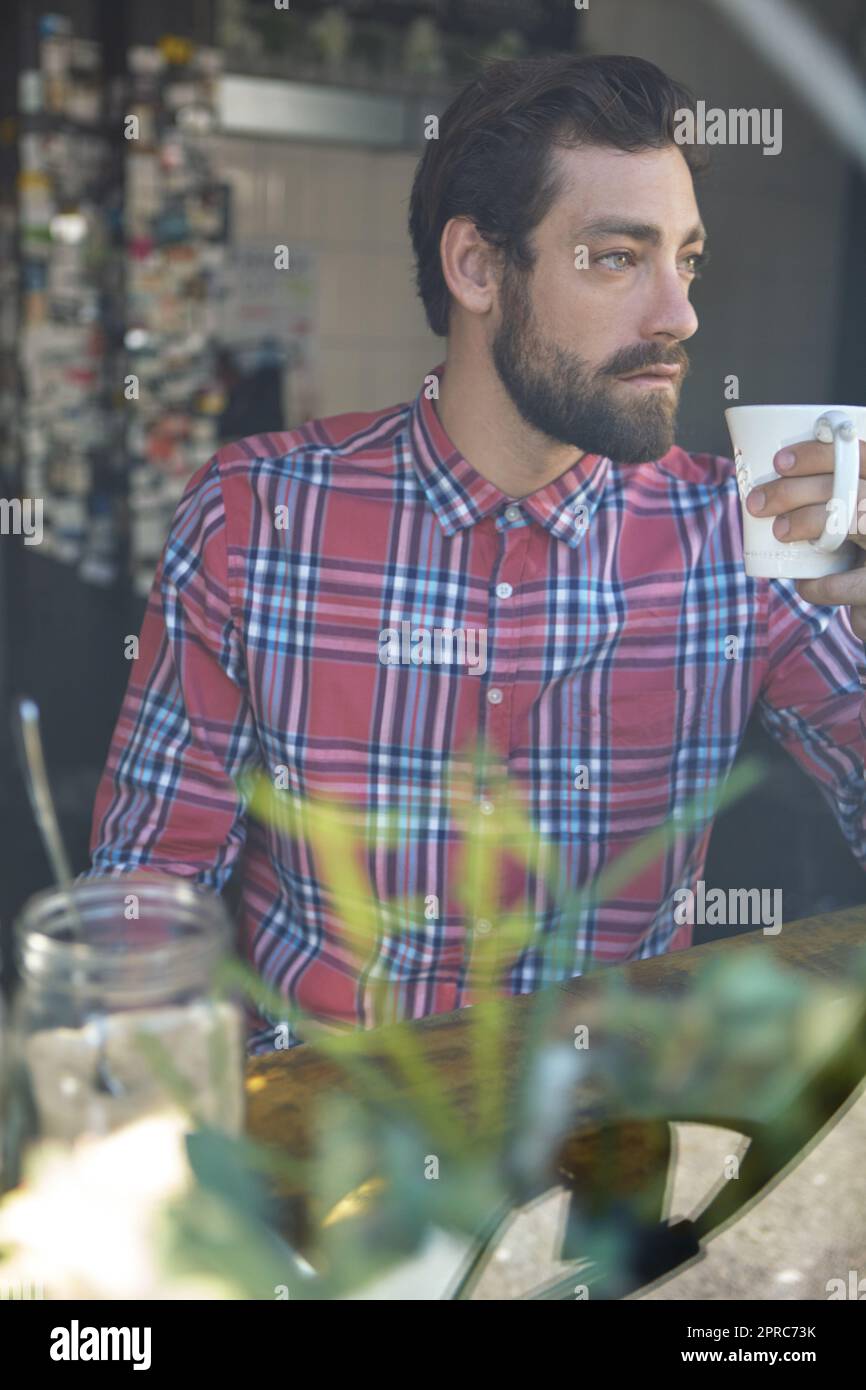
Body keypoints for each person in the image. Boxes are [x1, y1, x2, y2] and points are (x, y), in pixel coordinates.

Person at [82, 55, 866, 1051]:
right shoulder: (253, 515)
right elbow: (150, 891)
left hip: (607, 1150)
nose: (679, 314)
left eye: (686, 260)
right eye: (618, 257)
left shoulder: (738, 533)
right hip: (318, 1146)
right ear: (477, 268)